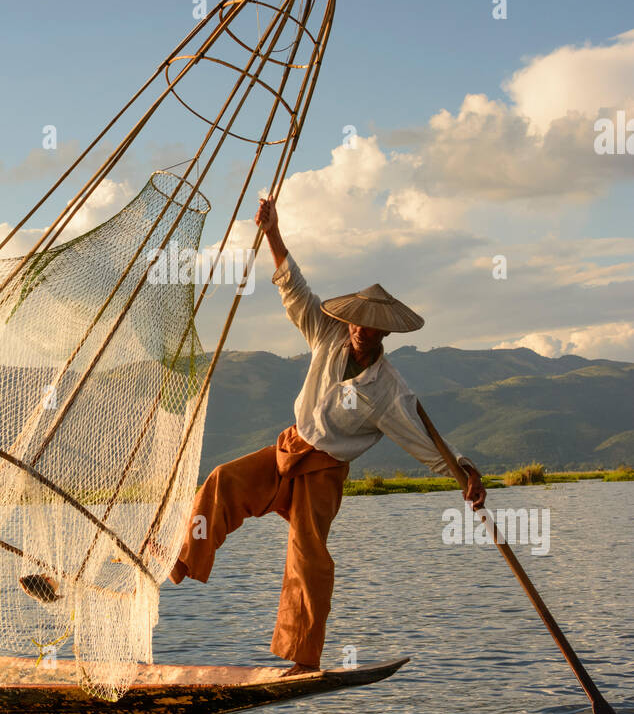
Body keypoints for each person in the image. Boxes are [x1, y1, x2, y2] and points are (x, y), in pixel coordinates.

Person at [170, 194, 486, 676]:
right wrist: (273, 232)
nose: (363, 332)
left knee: (309, 556)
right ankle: (183, 561)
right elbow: (295, 289)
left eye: (373, 328)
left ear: (385, 335)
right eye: (359, 323)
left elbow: (424, 444)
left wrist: (462, 472)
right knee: (221, 481)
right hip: (288, 448)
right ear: (352, 320)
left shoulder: (388, 390)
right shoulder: (327, 333)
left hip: (323, 472)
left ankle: (302, 658)